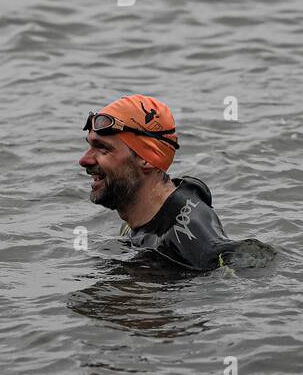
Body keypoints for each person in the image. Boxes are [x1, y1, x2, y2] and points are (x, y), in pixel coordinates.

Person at [79, 95, 237, 271]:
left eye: (103, 148)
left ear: (146, 158)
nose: (84, 160)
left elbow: (241, 272)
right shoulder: (136, 225)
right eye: (89, 146)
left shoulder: (192, 237)